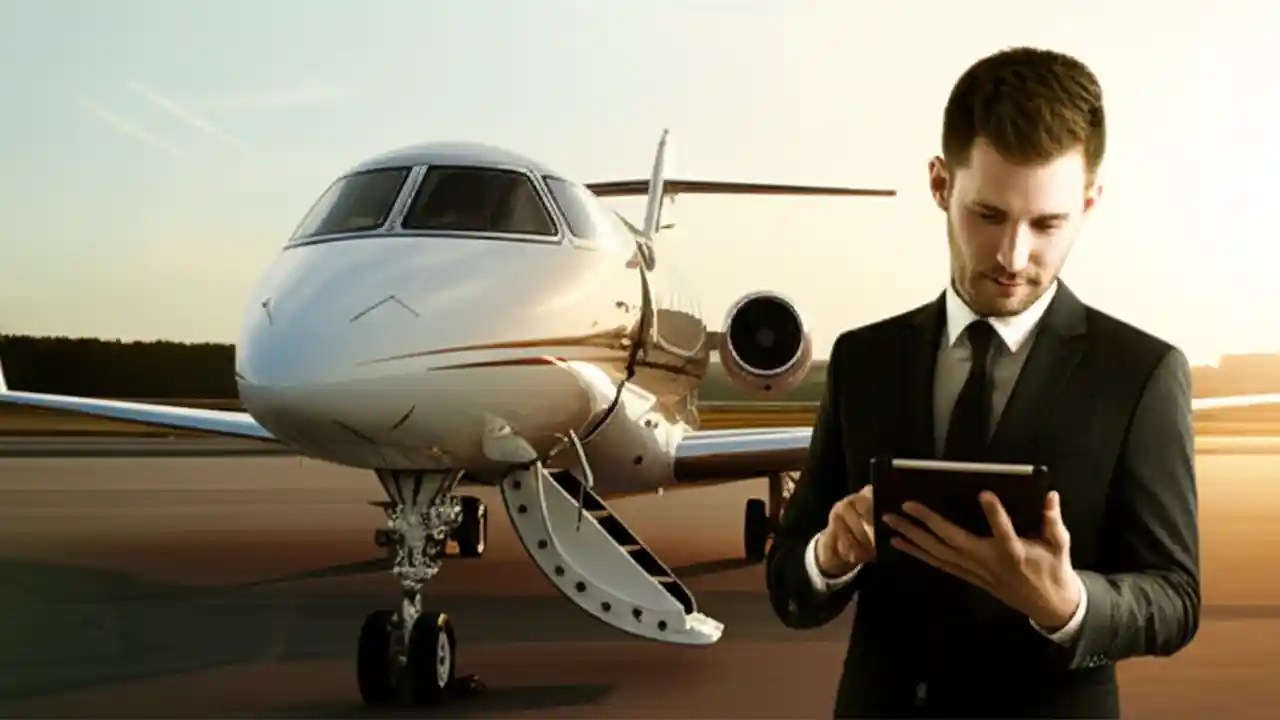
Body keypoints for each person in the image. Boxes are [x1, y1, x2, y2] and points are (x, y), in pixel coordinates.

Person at [765, 46, 1199, 718]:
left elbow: (1174, 598)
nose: (1013, 257)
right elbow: (789, 582)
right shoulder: (862, 361)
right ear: (940, 185)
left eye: (1047, 224)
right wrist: (829, 554)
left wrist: (1068, 605)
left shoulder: (1140, 373)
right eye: (988, 215)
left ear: (1089, 202)